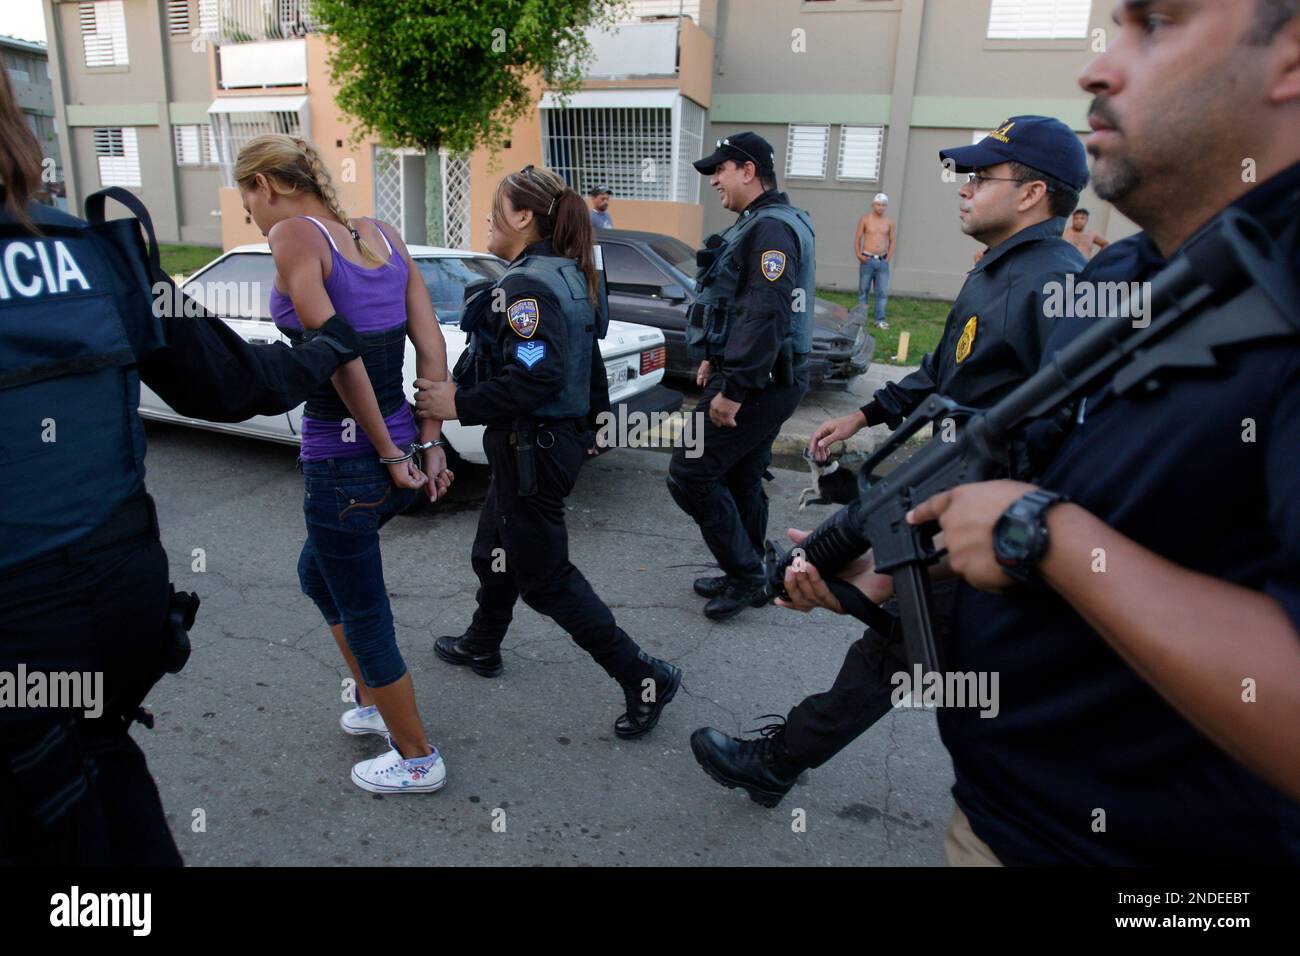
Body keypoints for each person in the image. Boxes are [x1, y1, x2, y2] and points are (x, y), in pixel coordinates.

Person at [751, 0, 1300, 865]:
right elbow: (1073, 478)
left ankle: (777, 759)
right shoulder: (1140, 273)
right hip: (1010, 816)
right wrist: (898, 561)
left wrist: (1038, 533)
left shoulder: (1095, 281)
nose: (1098, 66)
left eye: (1155, 24)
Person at [0, 69, 366, 863]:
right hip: (115, 620)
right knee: (103, 781)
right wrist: (328, 347)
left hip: (23, 639)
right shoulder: (89, 254)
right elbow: (227, 381)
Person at [690, 116, 1089, 807]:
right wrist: (864, 415)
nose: (963, 190)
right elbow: (944, 373)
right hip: (953, 499)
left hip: (985, 520)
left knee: (928, 652)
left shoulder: (1054, 285)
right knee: (903, 649)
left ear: (1031, 195)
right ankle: (781, 761)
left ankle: (1038, 806)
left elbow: (1067, 427)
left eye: (980, 177)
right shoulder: (999, 273)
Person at [413, 164, 680, 739]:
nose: (487, 217)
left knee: (546, 577)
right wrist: (595, 424)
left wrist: (456, 402)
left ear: (523, 216)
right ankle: (483, 644)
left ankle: (643, 677)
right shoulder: (569, 274)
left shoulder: (527, 286)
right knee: (494, 552)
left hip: (533, 446)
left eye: (495, 206)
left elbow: (537, 378)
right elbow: (586, 365)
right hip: (542, 445)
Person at [234, 134, 455, 794]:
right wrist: (429, 438)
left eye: (247, 193)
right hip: (398, 460)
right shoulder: (380, 233)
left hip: (347, 465)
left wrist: (389, 452)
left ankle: (416, 756)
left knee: (365, 613)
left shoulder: (296, 237)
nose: (248, 209)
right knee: (316, 572)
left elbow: (339, 352)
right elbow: (431, 338)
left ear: (266, 185)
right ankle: (371, 698)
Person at [667, 132, 816, 621]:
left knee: (689, 472)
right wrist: (717, 356)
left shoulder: (770, 230)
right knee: (741, 474)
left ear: (748, 171)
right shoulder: (762, 223)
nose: (714, 180)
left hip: (759, 380)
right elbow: (739, 306)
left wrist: (734, 386)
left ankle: (748, 574)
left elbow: (766, 313)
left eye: (721, 170)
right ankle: (747, 567)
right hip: (762, 375)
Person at [854, 193, 896, 331]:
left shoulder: (889, 221)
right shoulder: (865, 219)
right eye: (878, 204)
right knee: (863, 290)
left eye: (883, 205)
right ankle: (861, 320)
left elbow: (892, 240)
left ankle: (879, 320)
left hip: (882, 261)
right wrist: (859, 255)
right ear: (873, 205)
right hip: (867, 259)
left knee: (882, 292)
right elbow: (858, 238)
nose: (880, 207)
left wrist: (888, 258)